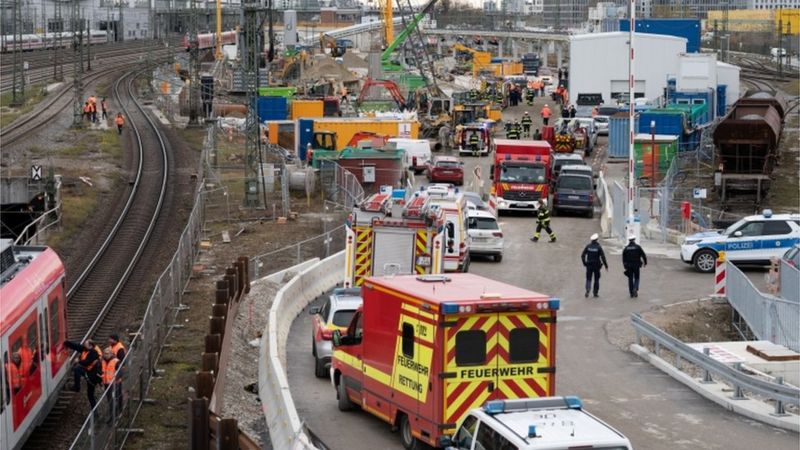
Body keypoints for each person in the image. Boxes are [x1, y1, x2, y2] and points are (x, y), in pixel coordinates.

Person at [64, 339, 103, 409]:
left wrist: (79, 361)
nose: (84, 345)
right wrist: (67, 343)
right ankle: (95, 412)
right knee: (90, 394)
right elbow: (77, 346)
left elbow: (87, 362)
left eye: (85, 344)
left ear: (90, 345)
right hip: (88, 372)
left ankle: (77, 387)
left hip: (92, 375)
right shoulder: (85, 349)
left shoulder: (94, 352)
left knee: (77, 369)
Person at [581, 233, 608, 298]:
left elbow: (582, 255)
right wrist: (606, 266)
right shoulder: (599, 247)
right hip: (596, 266)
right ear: (597, 239)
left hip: (589, 265)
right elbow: (603, 257)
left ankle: (587, 290)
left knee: (588, 278)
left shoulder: (588, 246)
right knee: (596, 279)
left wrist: (584, 263)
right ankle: (595, 293)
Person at [101, 347, 123, 422]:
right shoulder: (103, 361)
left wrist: (116, 379)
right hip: (107, 383)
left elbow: (120, 372)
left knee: (114, 399)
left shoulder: (116, 361)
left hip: (115, 384)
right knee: (110, 400)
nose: (105, 355)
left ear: (111, 353)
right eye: (104, 353)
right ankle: (114, 414)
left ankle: (114, 416)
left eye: (107, 353)